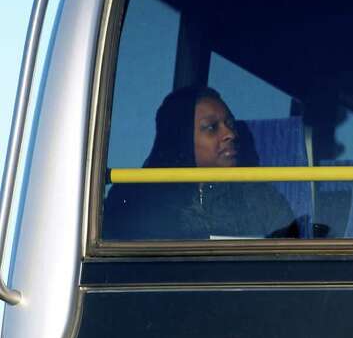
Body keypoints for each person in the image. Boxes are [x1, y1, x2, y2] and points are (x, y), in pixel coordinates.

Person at [103, 86, 299, 239]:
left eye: (230, 124)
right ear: (181, 139)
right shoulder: (135, 197)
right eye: (211, 127)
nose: (230, 134)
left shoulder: (261, 197)